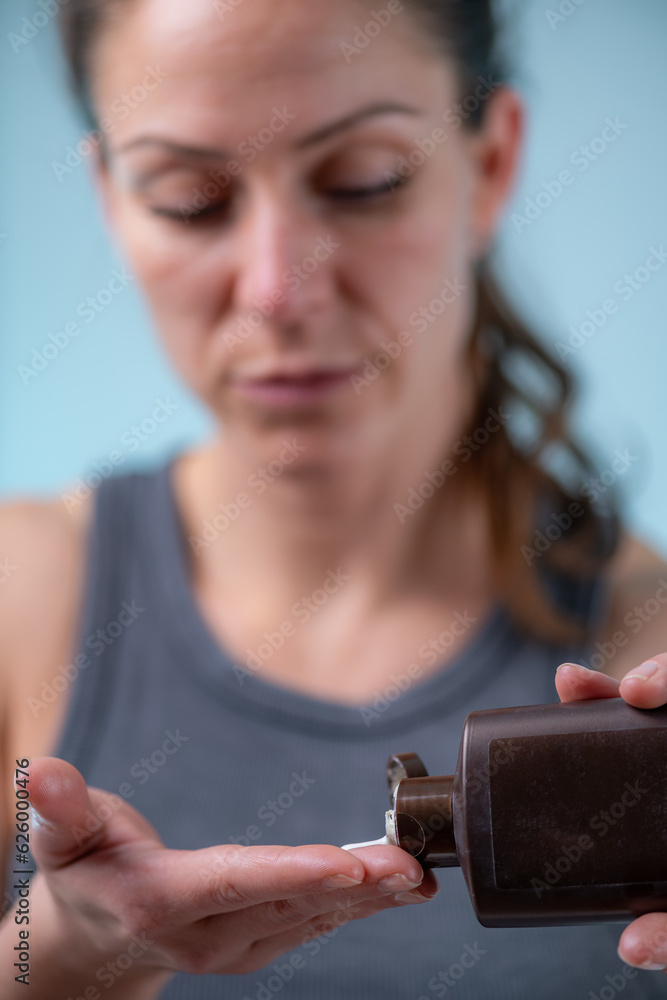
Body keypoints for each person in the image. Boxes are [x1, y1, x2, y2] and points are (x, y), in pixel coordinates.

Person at [1, 0, 666, 996]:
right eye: (189, 197)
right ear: (109, 199)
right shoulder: (18, 596)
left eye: (363, 181)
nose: (278, 288)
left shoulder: (642, 642)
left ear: (489, 167)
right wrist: (59, 952)